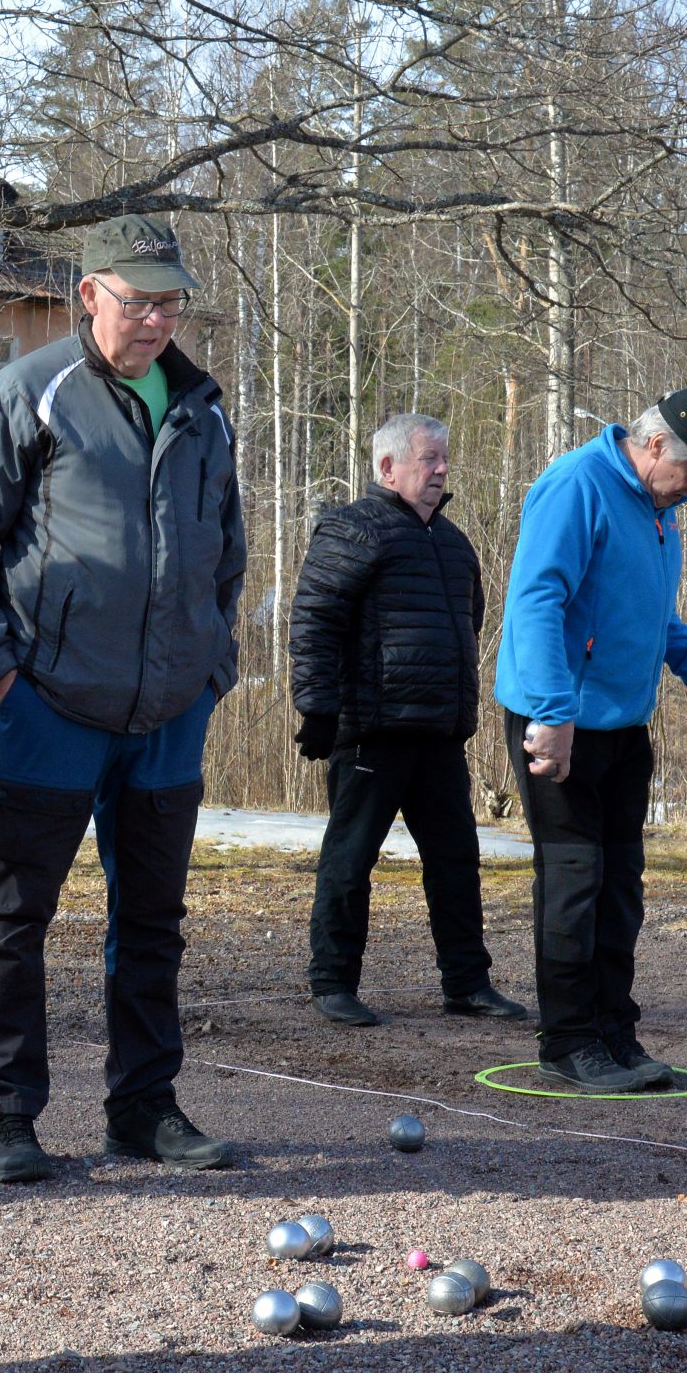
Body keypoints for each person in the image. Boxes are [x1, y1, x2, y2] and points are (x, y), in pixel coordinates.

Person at [0, 214, 248, 1183]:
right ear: (89, 293)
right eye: (138, 300)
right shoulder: (31, 392)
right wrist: (3, 678)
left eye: (169, 302)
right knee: (17, 914)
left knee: (152, 920)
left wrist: (211, 667)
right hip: (51, 708)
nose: (155, 319)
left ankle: (143, 1106)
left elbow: (225, 555)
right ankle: (3, 1110)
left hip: (170, 716)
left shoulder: (204, 409)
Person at [493, 390, 687, 1094]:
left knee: (620, 888)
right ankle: (568, 1040)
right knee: (574, 883)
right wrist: (553, 714)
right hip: (560, 720)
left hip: (623, 725)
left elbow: (651, 613)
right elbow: (537, 601)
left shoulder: (660, 508)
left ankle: (613, 1029)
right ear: (657, 445)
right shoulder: (576, 485)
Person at [290, 413, 526, 1028]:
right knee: (350, 860)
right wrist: (316, 705)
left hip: (439, 733)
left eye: (444, 457)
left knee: (456, 861)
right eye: (429, 458)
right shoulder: (353, 529)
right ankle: (333, 983)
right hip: (372, 730)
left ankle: (467, 985)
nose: (442, 468)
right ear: (388, 467)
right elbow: (314, 619)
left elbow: (469, 623)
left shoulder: (453, 542)